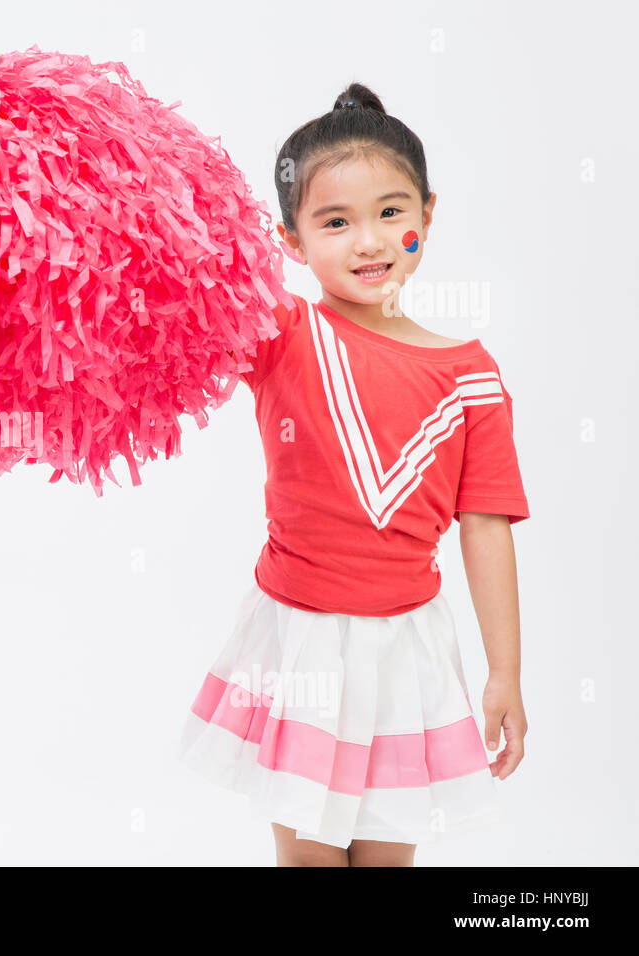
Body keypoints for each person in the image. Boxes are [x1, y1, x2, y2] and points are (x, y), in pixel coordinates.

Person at [178, 82, 529, 866]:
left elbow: (486, 526)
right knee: (307, 857)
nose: (368, 241)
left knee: (385, 860)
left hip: (408, 652)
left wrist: (504, 672)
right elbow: (184, 291)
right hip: (301, 644)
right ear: (292, 240)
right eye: (335, 222)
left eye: (391, 213)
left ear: (427, 217)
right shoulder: (281, 330)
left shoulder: (472, 376)